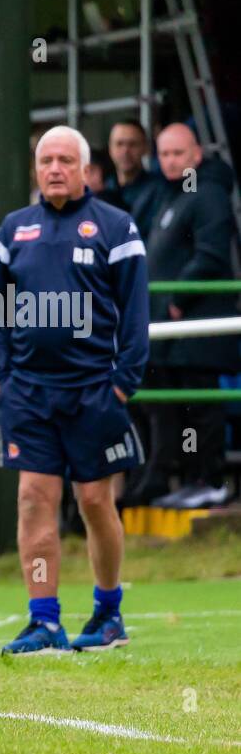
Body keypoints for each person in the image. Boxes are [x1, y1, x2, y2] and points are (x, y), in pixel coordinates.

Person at [0, 126, 149, 654]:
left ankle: (108, 614)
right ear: (36, 169)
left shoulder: (116, 227)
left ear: (84, 169)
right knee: (34, 499)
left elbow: (135, 315)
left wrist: (122, 385)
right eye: (45, 160)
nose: (54, 168)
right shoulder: (13, 230)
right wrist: (0, 376)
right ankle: (44, 621)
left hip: (94, 393)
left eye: (65, 160)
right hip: (28, 394)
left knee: (95, 502)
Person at [133, 123, 238, 509]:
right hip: (173, 328)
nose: (171, 161)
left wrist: (177, 296)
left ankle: (209, 480)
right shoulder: (177, 194)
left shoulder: (206, 192)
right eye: (164, 154)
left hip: (199, 323)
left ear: (196, 153)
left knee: (201, 404)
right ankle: (188, 477)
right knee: (181, 404)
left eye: (178, 153)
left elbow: (211, 254)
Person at [99, 120, 163, 238]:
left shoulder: (160, 191)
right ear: (110, 149)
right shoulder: (102, 191)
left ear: (145, 148)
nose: (125, 151)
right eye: (119, 144)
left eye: (132, 144)